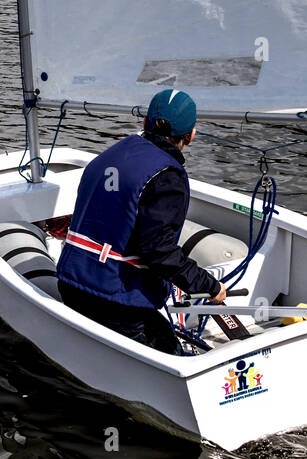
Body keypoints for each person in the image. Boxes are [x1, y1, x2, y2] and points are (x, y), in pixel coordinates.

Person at [56, 88, 227, 354]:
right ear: (191, 136)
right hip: (111, 299)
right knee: (172, 353)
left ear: (145, 122)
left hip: (71, 282)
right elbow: (157, 251)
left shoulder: (110, 155)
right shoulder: (167, 176)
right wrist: (208, 286)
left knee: (162, 334)